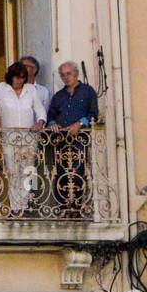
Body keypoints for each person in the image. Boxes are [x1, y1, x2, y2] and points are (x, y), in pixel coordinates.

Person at [0, 61, 46, 215]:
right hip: (9, 137)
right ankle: (16, 209)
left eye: (22, 78)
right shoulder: (1, 88)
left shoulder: (31, 90)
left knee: (28, 170)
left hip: (29, 137)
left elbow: (40, 111)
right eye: (17, 78)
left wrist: (39, 122)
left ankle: (25, 206)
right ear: (11, 77)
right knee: (12, 171)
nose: (19, 81)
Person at [46, 61, 99, 217]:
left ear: (76, 74)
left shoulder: (88, 92)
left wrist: (80, 123)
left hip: (79, 140)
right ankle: (63, 207)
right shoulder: (58, 96)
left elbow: (93, 114)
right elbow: (51, 115)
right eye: (63, 75)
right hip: (61, 141)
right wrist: (53, 123)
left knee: (77, 172)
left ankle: (76, 208)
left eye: (68, 74)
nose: (65, 77)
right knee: (60, 173)